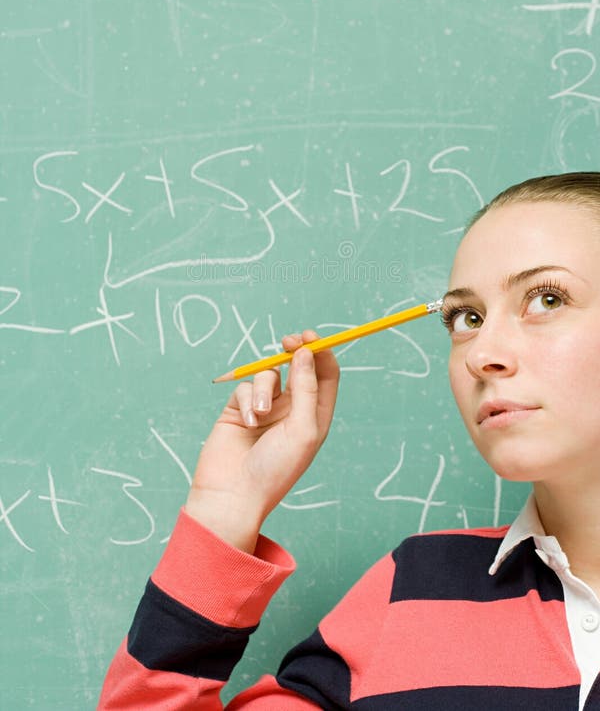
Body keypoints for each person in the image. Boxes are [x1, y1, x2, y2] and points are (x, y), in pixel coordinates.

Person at [99, 171, 600, 710]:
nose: (481, 354)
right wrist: (224, 512)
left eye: (548, 299)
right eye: (467, 318)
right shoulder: (411, 595)